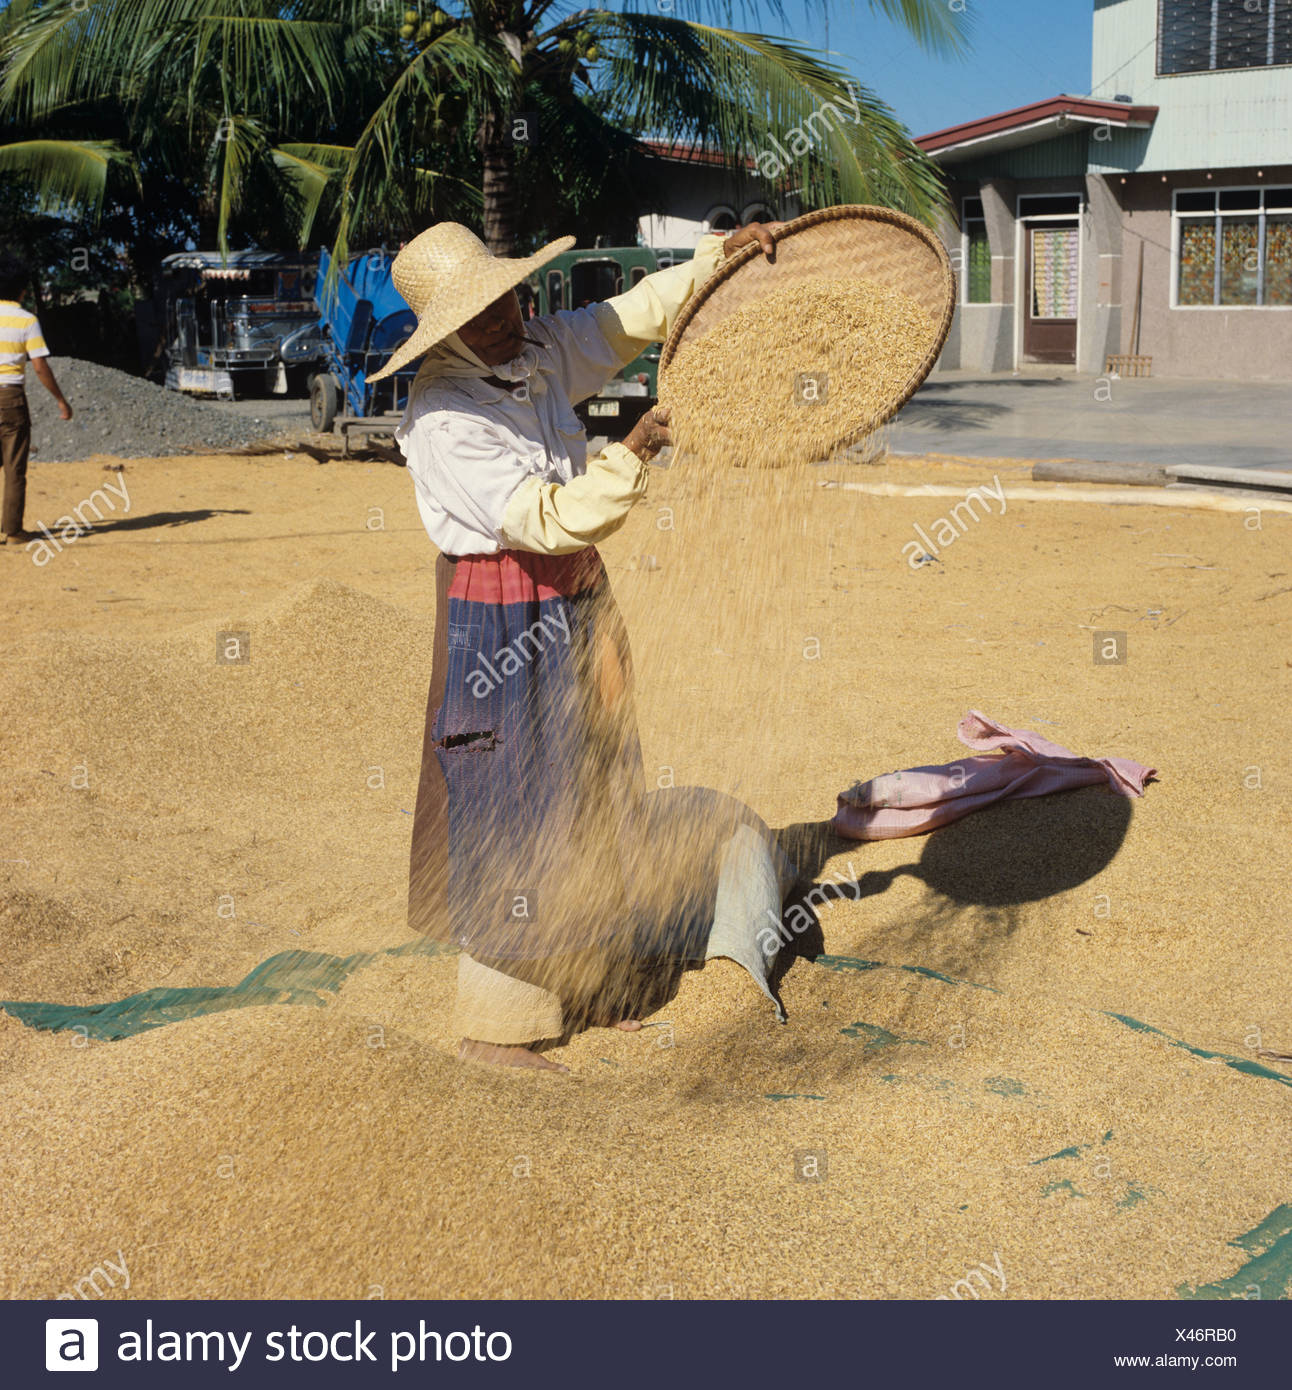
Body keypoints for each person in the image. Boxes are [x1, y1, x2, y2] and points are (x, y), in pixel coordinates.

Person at [370, 218, 787, 1072]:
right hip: (499, 612)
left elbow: (627, 319)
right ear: (444, 336)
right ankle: (497, 1028)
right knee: (511, 798)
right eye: (480, 316)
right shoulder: (446, 416)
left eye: (507, 298)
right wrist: (632, 451)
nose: (505, 319)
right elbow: (547, 521)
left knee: (595, 780)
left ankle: (588, 980)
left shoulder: (536, 346)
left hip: (577, 592)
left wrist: (719, 261)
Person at [0, 259, 73, 545]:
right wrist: (60, 400)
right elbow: (40, 367)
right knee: (14, 466)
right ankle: (13, 531)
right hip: (10, 397)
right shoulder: (27, 320)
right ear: (22, 291)